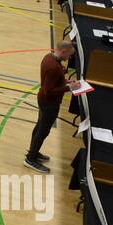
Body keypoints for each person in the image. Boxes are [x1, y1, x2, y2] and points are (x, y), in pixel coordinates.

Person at [26, 39, 78, 173]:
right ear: (63, 51)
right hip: (49, 103)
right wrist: (68, 88)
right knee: (43, 131)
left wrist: (66, 81)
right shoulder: (53, 67)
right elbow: (48, 91)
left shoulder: (49, 57)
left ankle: (33, 153)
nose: (69, 58)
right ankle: (31, 159)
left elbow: (55, 81)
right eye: (69, 55)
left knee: (39, 127)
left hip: (45, 101)